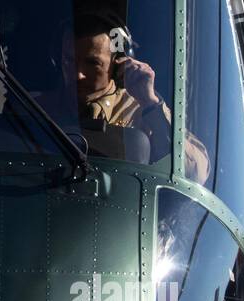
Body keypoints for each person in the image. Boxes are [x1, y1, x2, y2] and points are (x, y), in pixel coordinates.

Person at [72, 15, 208, 179]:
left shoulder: (144, 113)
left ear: (119, 62)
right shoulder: (38, 109)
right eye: (69, 60)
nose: (77, 74)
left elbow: (195, 173)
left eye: (92, 63)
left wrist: (150, 102)